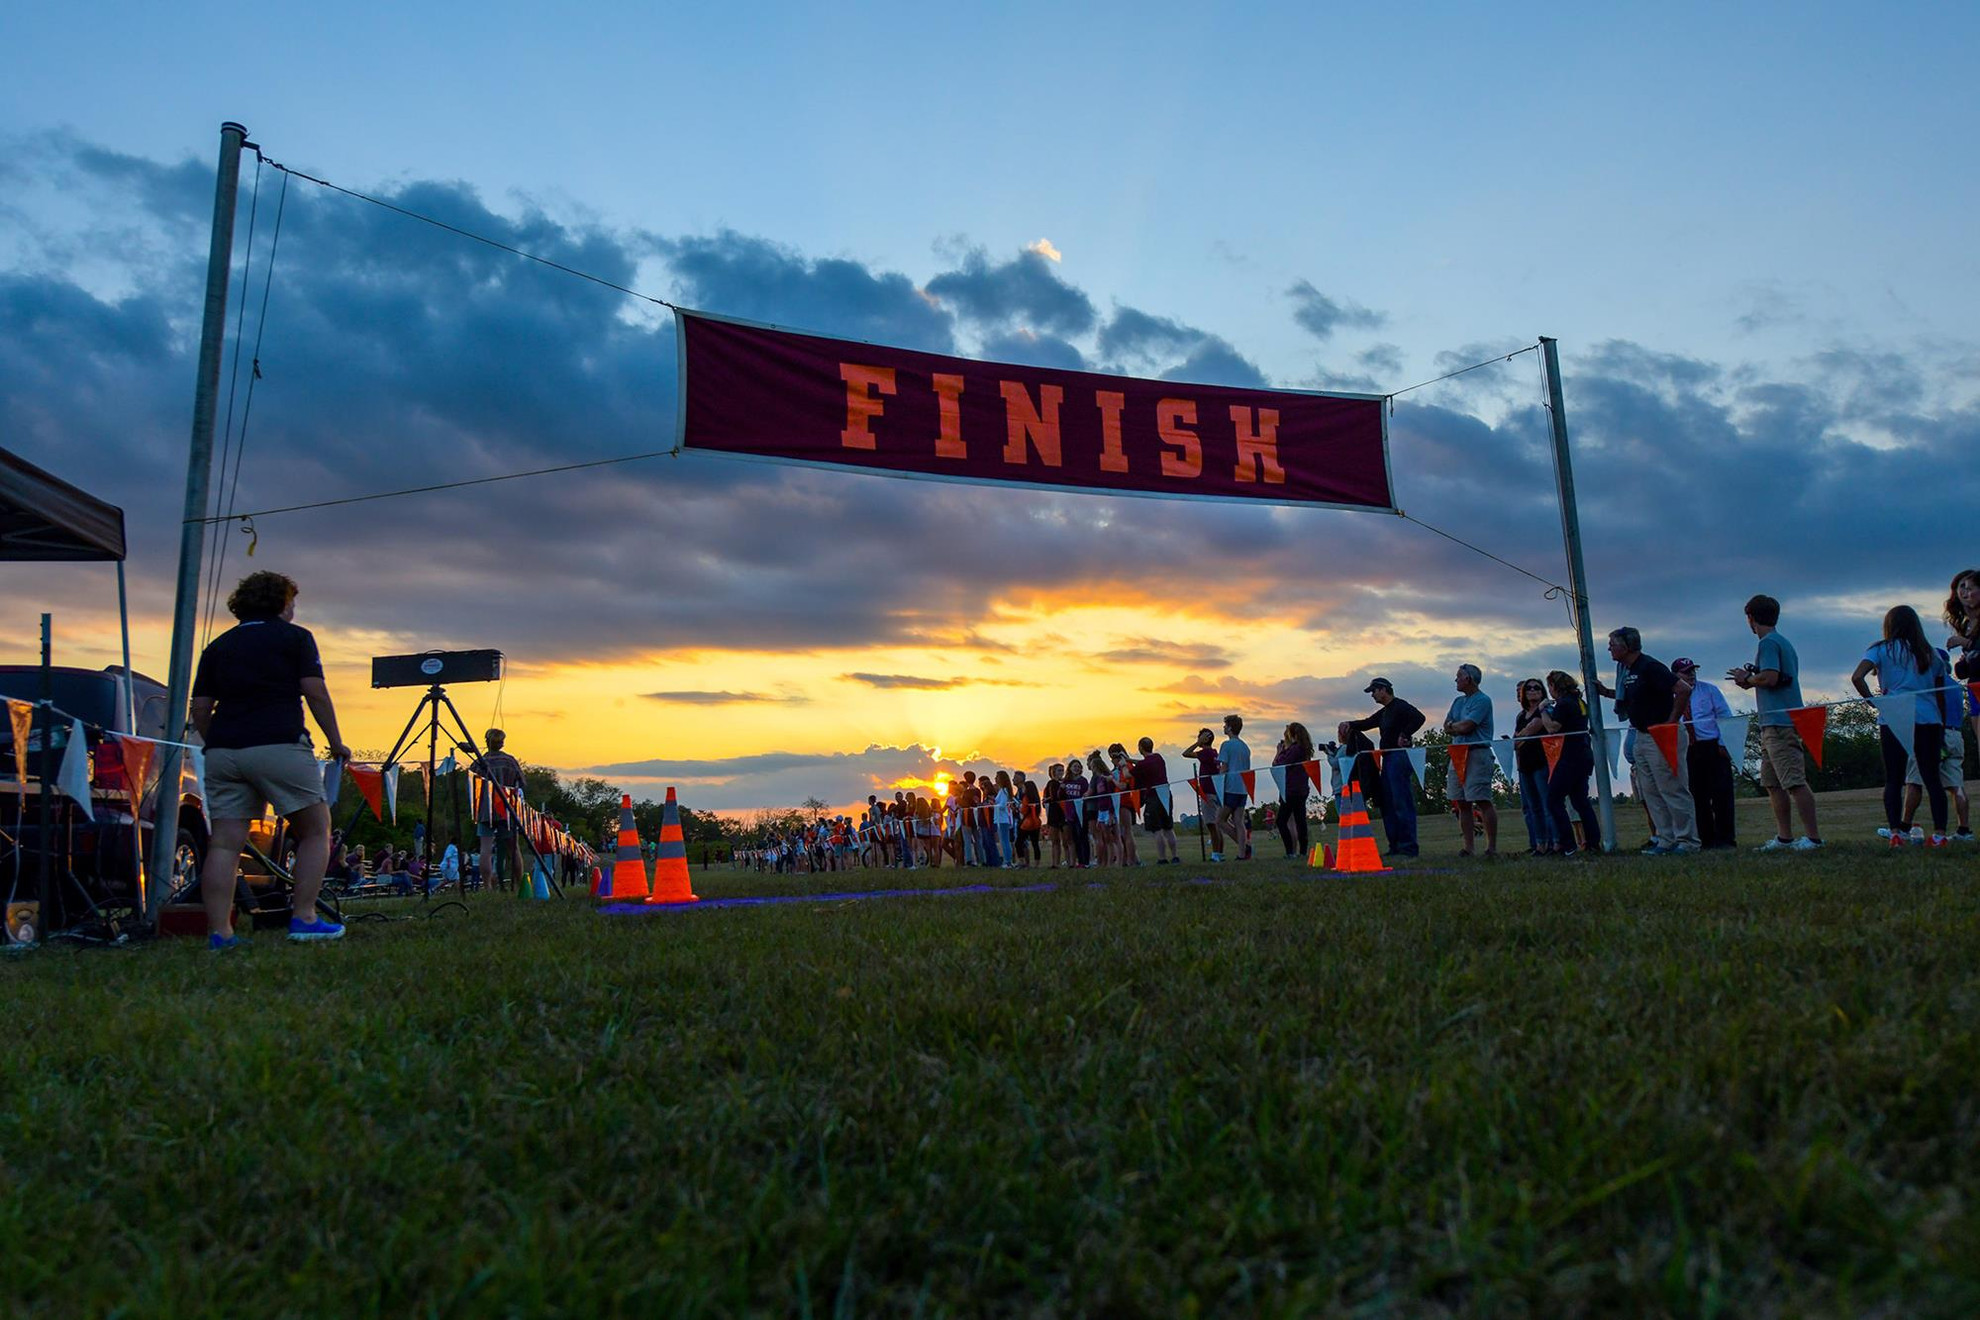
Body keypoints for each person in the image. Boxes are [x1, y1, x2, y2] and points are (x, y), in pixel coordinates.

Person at [188, 571, 350, 947]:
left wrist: (218, 742)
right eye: (292, 601)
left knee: (226, 843)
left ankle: (220, 933)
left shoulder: (217, 647)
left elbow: (200, 708)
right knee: (314, 830)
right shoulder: (296, 638)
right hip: (279, 742)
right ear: (282, 603)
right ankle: (305, 918)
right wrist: (335, 741)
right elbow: (315, 692)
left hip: (224, 750)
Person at [1728, 594, 1823, 851]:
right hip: (1771, 723)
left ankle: (1813, 838)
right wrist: (1749, 679)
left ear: (1751, 618)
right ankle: (1784, 838)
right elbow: (1777, 680)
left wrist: (1746, 678)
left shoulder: (1768, 643)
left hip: (1781, 723)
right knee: (1772, 783)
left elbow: (1770, 678)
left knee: (1793, 780)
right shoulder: (1781, 642)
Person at [1852, 605, 1950, 846]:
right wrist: (1944, 722)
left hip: (1894, 716)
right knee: (1933, 779)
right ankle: (1939, 834)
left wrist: (1873, 702)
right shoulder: (1929, 653)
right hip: (1928, 718)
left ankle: (1896, 832)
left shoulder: (1880, 650)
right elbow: (1940, 692)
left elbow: (1857, 677)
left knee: (1894, 779)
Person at [1608, 627, 1700, 854]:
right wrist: (1604, 691)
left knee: (1672, 787)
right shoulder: (1627, 671)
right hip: (1641, 734)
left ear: (1627, 646)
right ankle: (1665, 839)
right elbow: (1634, 697)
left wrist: (1670, 722)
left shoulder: (1649, 666)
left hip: (1661, 734)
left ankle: (1687, 841)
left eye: (1613, 644)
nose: (1609, 648)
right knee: (1651, 791)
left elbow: (1683, 689)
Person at [1349, 677, 1425, 857]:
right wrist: (1349, 724)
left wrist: (1405, 734)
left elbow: (1419, 718)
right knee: (1388, 803)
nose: (1373, 695)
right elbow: (1367, 723)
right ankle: (1395, 846)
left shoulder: (1400, 706)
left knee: (1401, 801)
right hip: (1388, 758)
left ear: (1383, 690)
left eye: (1374, 691)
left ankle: (1409, 847)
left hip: (1399, 756)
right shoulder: (1384, 713)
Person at [1673, 657, 1738, 849]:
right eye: (1686, 672)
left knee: (1722, 795)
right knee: (1696, 796)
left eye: (1693, 671)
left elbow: (1724, 716)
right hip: (1687, 748)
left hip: (1711, 746)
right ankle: (1705, 838)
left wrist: (1723, 743)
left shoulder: (1709, 690)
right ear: (1676, 675)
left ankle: (1726, 839)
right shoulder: (1671, 695)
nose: (1691, 675)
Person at [1538, 670, 1603, 858]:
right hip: (1583, 754)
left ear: (1555, 686)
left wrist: (1543, 710)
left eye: (1549, 686)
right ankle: (1592, 842)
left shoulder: (1564, 703)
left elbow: (1552, 728)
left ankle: (1568, 844)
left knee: (1553, 800)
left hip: (1569, 757)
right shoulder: (1580, 702)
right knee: (1581, 801)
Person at [1442, 664, 1498, 858]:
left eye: (1459, 676)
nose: (1455, 680)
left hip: (1477, 753)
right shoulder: (1457, 702)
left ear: (1469, 679)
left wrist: (1455, 726)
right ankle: (1469, 847)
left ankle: (1491, 847)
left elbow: (1468, 726)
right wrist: (1455, 727)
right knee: (1461, 802)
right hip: (1458, 754)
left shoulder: (1483, 700)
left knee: (1482, 799)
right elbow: (1446, 725)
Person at [477, 729, 527, 891]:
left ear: (487, 742)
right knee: (514, 849)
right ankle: (520, 885)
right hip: (507, 810)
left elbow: (471, 780)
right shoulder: (510, 761)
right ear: (502, 742)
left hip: (486, 810)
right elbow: (522, 783)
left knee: (485, 850)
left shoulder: (480, 761)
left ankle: (487, 886)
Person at [1511, 679, 1557, 855]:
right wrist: (1522, 736)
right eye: (1528, 688)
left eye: (1536, 687)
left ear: (1542, 691)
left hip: (1542, 762)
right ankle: (1539, 845)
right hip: (1525, 765)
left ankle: (1555, 843)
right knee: (1533, 808)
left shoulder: (1545, 710)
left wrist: (1521, 736)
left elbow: (1533, 729)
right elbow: (1516, 742)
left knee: (1547, 805)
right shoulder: (1521, 715)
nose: (1532, 690)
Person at [1273, 722, 1315, 859]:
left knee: (1281, 821)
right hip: (1301, 789)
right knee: (1300, 820)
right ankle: (1302, 852)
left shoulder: (1295, 749)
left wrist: (1280, 751)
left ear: (1294, 735)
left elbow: (1279, 764)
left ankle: (1290, 852)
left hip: (1291, 790)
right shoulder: (1304, 748)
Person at [1134, 737, 1180, 864]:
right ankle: (1175, 856)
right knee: (1168, 828)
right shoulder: (1158, 758)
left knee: (1157, 830)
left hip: (1153, 798)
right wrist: (1129, 760)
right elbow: (1143, 763)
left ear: (1140, 748)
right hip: (1166, 795)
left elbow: (1129, 774)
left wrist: (1123, 765)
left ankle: (1162, 858)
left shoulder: (1143, 765)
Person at [1184, 729, 1224, 859]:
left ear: (1205, 739)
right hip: (1214, 792)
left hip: (1208, 793)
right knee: (1215, 825)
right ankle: (1219, 853)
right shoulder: (1213, 752)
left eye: (1200, 737)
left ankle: (1216, 854)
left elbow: (1186, 753)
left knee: (1211, 825)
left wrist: (1197, 743)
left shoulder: (1206, 752)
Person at [1217, 715, 1253, 861]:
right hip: (1243, 787)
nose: (1223, 727)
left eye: (1225, 725)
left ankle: (1244, 846)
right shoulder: (1245, 747)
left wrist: (1219, 784)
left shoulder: (1226, 745)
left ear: (1230, 727)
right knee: (1238, 820)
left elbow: (1223, 767)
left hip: (1230, 786)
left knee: (1220, 820)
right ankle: (1242, 853)